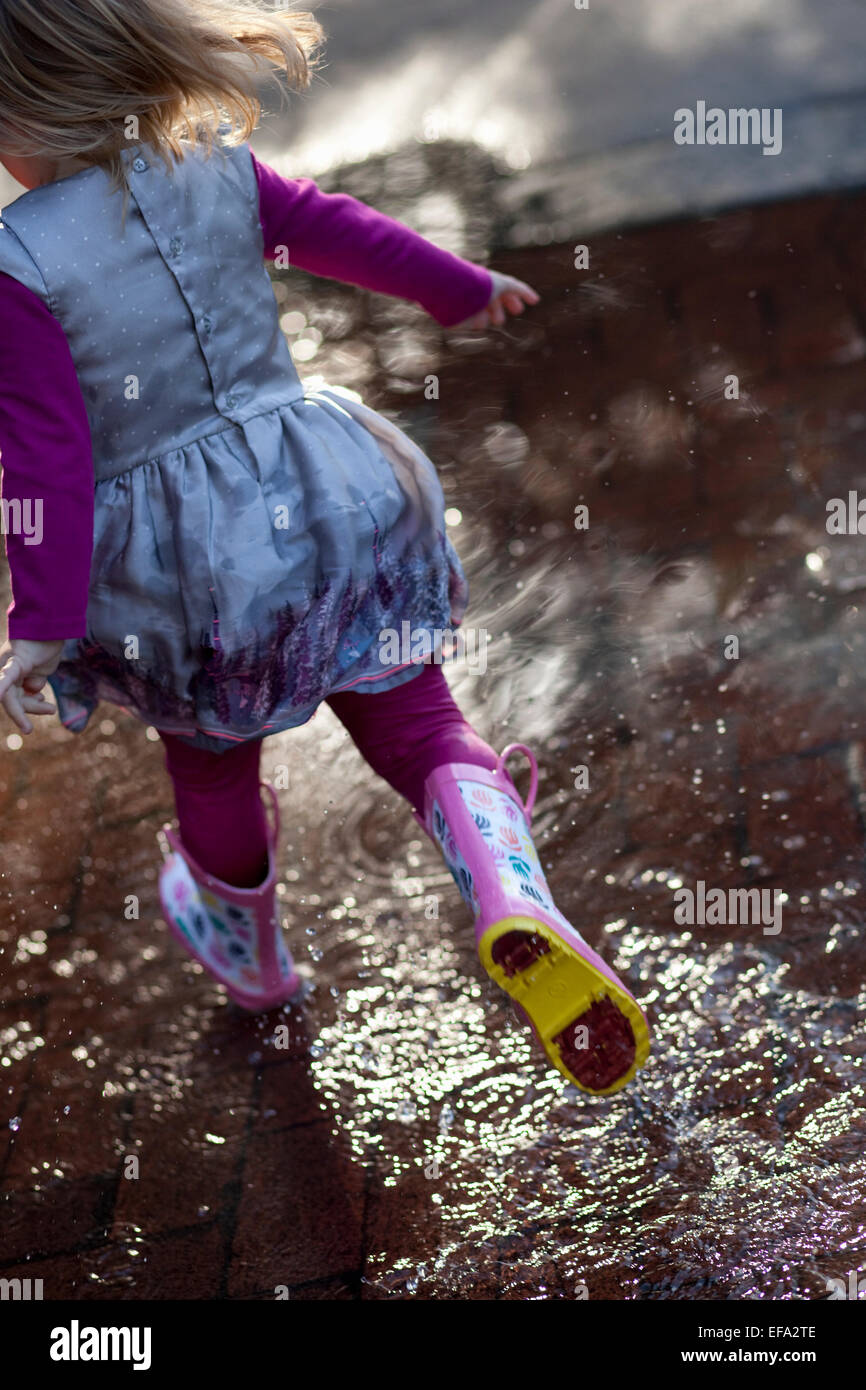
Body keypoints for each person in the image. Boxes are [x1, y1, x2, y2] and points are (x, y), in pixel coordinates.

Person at [0, 0, 649, 1095]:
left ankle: (255, 964)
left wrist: (42, 627)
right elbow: (337, 227)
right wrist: (460, 288)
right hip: (334, 492)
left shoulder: (17, 262)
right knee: (417, 717)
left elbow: (46, 463)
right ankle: (506, 881)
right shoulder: (216, 168)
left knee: (211, 763)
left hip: (182, 580)